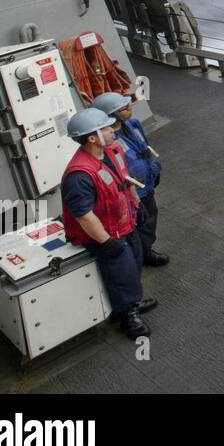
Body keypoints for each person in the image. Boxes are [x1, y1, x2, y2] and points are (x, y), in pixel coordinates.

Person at [60, 108, 157, 339]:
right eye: (105, 127)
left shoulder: (112, 151)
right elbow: (84, 215)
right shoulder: (80, 174)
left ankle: (133, 301)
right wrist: (105, 241)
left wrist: (137, 205)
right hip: (106, 233)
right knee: (119, 271)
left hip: (125, 222)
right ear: (92, 138)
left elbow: (125, 180)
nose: (112, 129)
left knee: (134, 262)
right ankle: (127, 316)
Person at [93, 91, 169, 267]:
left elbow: (144, 148)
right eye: (124, 107)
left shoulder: (133, 125)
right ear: (112, 115)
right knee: (137, 223)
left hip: (146, 182)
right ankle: (143, 254)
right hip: (131, 190)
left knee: (150, 216)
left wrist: (153, 172)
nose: (129, 108)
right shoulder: (108, 141)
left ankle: (146, 248)